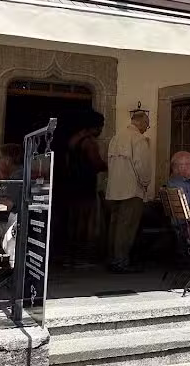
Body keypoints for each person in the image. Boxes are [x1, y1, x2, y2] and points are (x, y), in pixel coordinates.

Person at [105, 108, 152, 273]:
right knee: (127, 227)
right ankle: (121, 262)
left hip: (114, 190)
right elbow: (143, 166)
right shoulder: (138, 139)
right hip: (132, 190)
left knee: (115, 225)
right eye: (147, 124)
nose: (147, 128)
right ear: (141, 122)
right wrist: (146, 183)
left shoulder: (115, 138)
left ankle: (113, 259)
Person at [66, 110, 108, 266]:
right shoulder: (89, 142)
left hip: (72, 186)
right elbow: (96, 163)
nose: (101, 130)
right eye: (100, 126)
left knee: (73, 222)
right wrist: (109, 165)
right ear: (94, 126)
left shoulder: (74, 139)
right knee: (87, 223)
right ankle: (82, 258)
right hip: (85, 186)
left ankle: (70, 257)